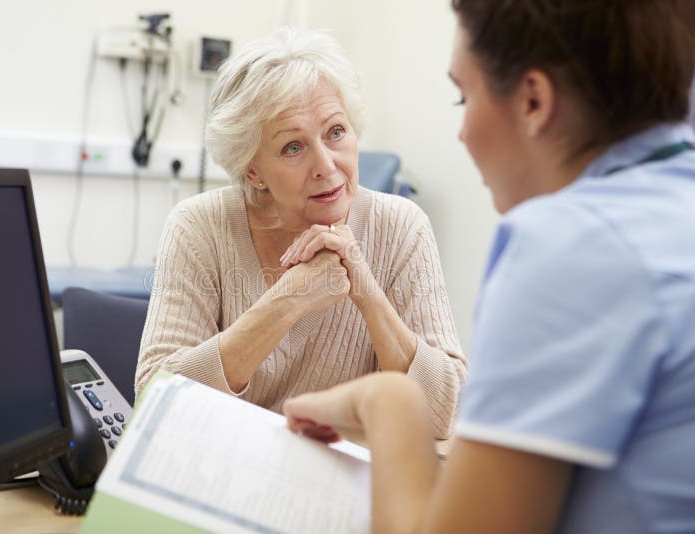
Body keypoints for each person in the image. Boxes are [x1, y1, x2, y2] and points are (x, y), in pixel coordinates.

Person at [284, 1, 695, 532]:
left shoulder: (573, 247)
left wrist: (387, 403)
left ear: (532, 100)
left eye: (463, 94)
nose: (461, 133)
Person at [135, 27, 467, 437]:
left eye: (336, 132)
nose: (326, 164)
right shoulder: (199, 227)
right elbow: (155, 403)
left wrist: (364, 287)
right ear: (253, 171)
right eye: (294, 147)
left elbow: (442, 415)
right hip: (224, 476)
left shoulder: (401, 226)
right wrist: (288, 299)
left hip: (342, 486)